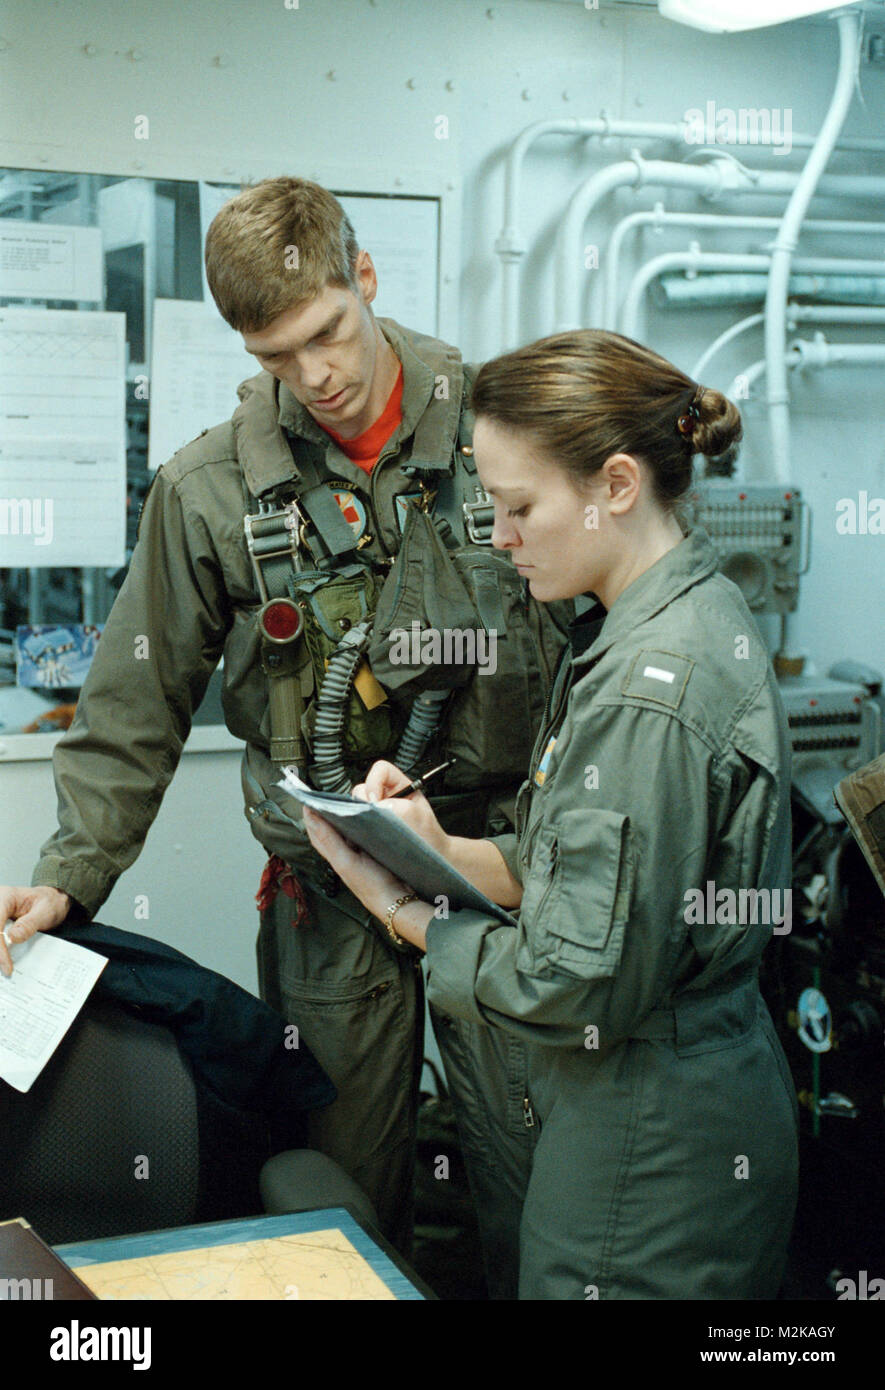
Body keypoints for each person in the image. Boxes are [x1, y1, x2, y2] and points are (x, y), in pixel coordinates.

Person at [0, 179, 568, 1282]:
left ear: (365, 277)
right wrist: (68, 873)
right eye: (275, 357)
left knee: (531, 1166)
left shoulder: (508, 430)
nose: (316, 376)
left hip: (501, 870)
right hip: (332, 896)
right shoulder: (208, 488)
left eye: (327, 334)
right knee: (338, 1182)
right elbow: (134, 697)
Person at [301, 328, 801, 1299]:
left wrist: (405, 913)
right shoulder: (677, 611)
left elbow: (576, 981)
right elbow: (589, 872)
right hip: (689, 1097)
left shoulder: (646, 692)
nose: (498, 536)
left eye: (519, 505)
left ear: (616, 484)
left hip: (648, 1145)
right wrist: (439, 846)